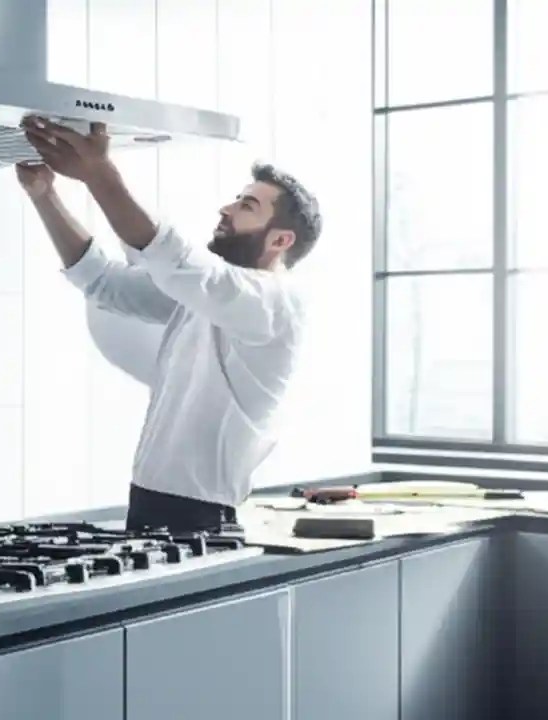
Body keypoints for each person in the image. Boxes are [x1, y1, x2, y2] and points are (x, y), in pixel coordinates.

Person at [16, 116, 322, 533]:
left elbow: (174, 258)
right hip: (147, 504)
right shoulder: (209, 300)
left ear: (280, 240)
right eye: (236, 198)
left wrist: (98, 174)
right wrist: (44, 195)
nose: (226, 208)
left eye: (247, 206)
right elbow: (102, 282)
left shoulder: (272, 302)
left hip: (202, 520)